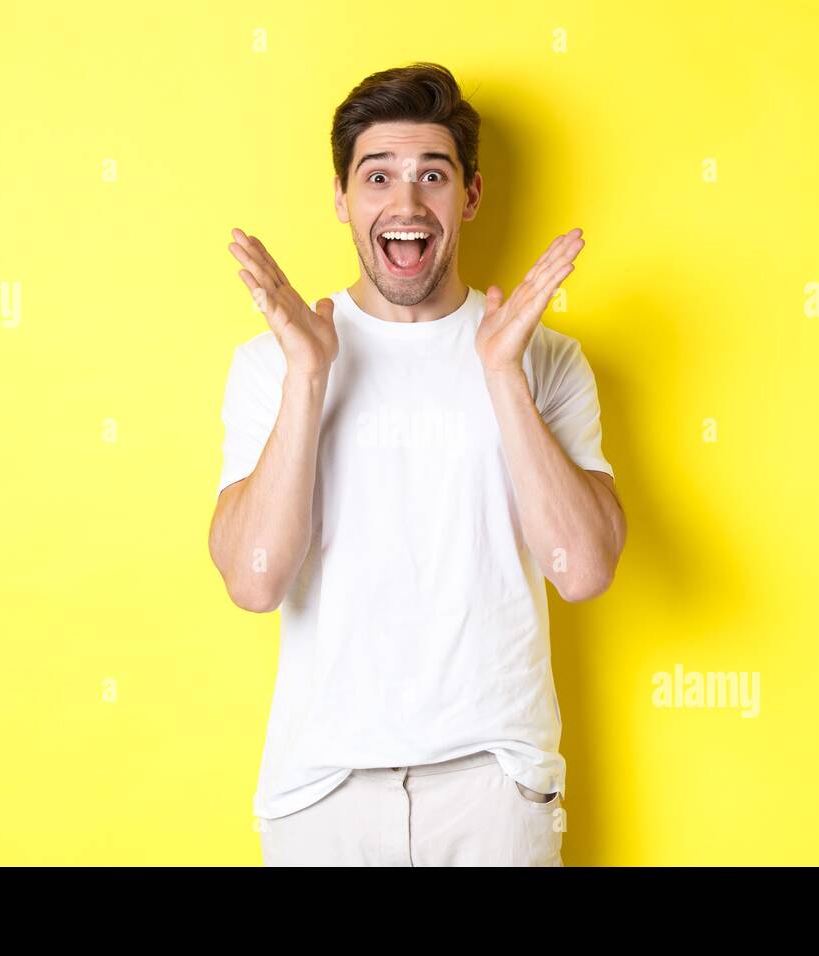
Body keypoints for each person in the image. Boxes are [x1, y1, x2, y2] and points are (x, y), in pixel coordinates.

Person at [210, 61, 626, 866]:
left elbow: (583, 570)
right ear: (342, 198)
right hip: (320, 792)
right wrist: (307, 380)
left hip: (496, 790)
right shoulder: (272, 363)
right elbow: (253, 582)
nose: (406, 204)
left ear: (468, 197)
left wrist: (502, 376)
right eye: (378, 177)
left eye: (432, 175)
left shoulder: (547, 360)